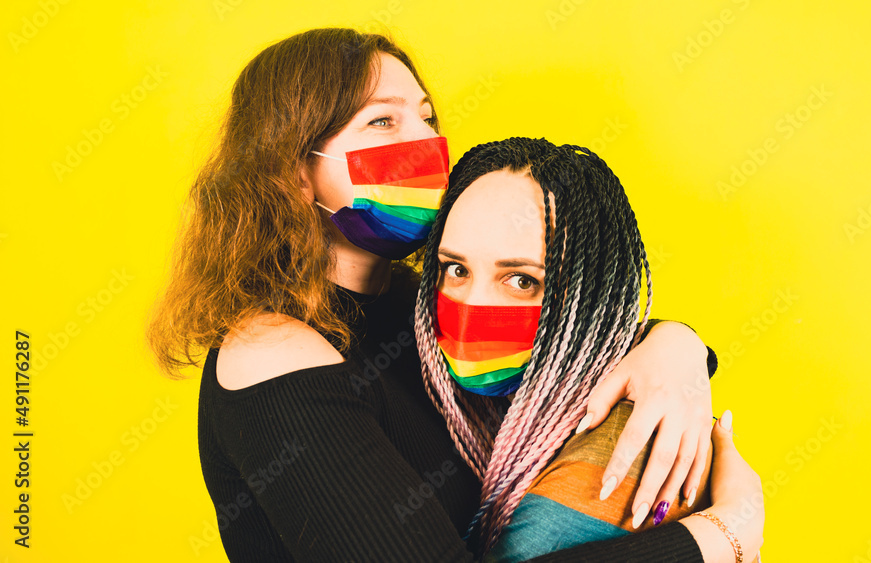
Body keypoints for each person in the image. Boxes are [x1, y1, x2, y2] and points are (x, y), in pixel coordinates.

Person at [146, 28, 748, 561]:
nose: (425, 143)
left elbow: (568, 330)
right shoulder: (270, 351)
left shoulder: (422, 304)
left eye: (427, 118)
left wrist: (678, 343)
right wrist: (722, 535)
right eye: (383, 121)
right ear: (295, 171)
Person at [414, 138, 763, 561]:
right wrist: (676, 337)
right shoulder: (459, 400)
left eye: (522, 280)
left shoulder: (620, 454)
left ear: (593, 296)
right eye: (457, 269)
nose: (472, 309)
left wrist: (727, 535)